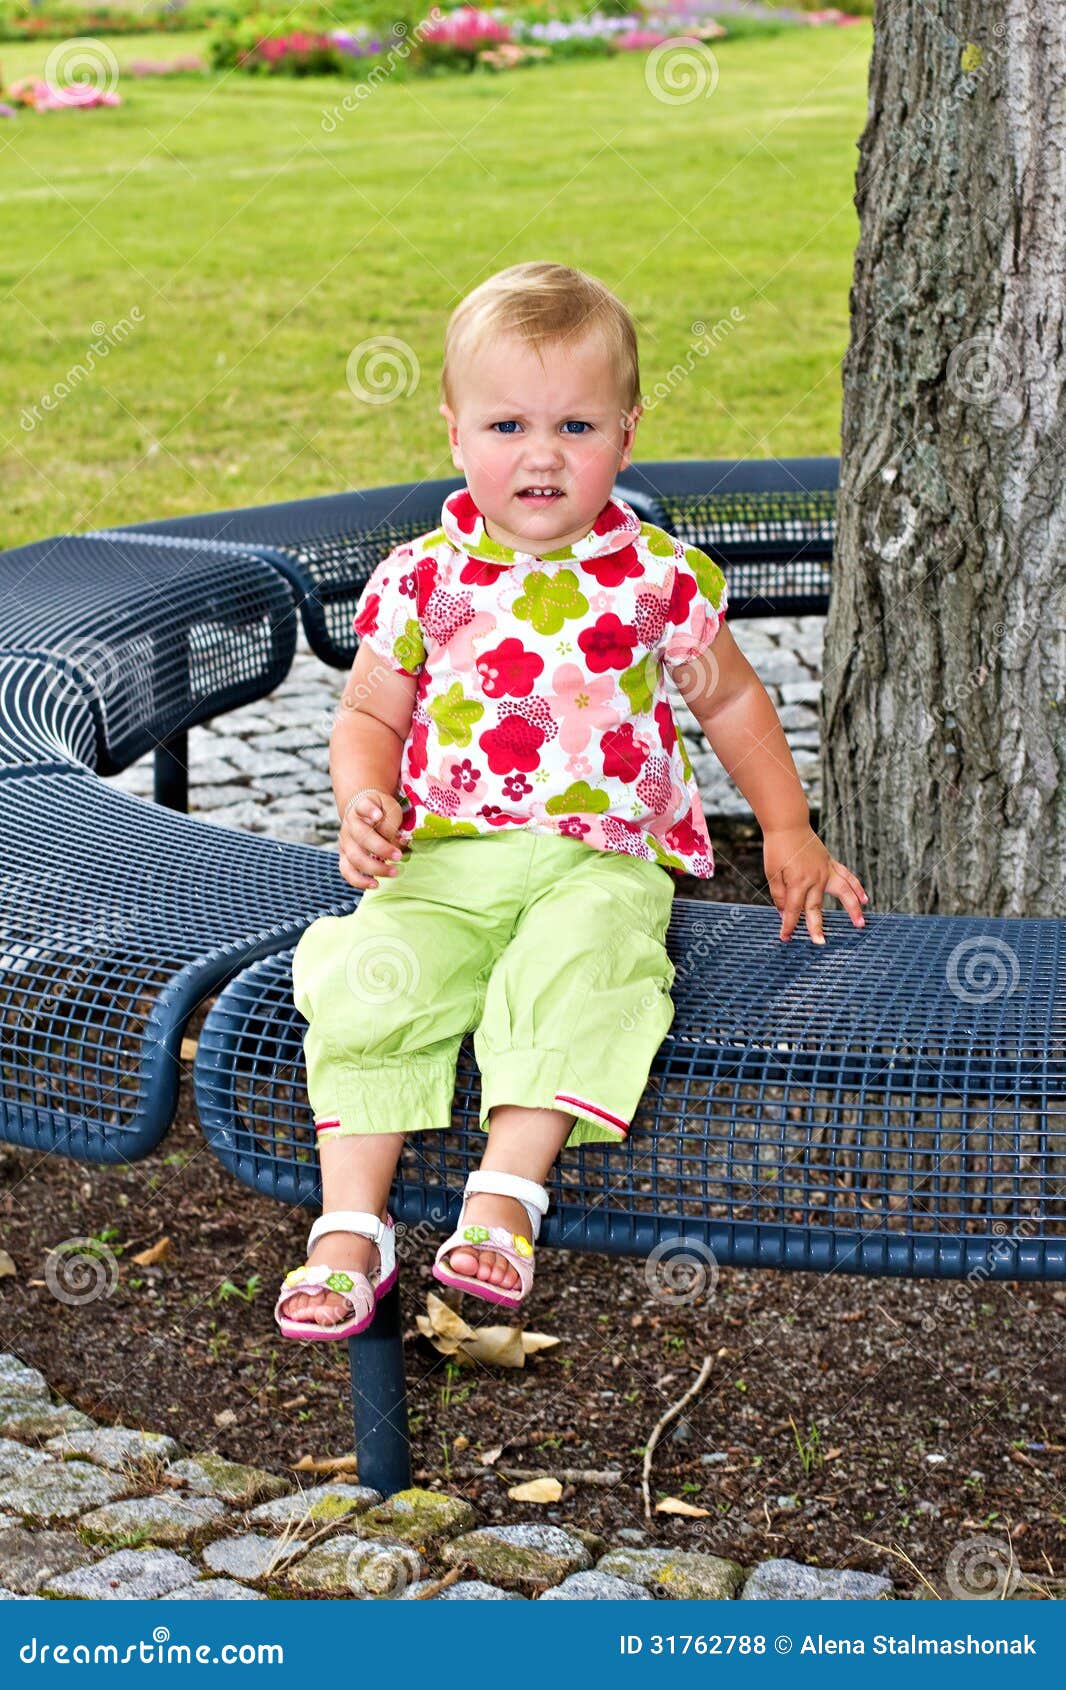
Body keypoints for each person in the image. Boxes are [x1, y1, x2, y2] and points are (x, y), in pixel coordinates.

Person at [273, 261, 868, 1341]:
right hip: (443, 861)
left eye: (576, 425)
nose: (541, 453)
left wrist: (787, 824)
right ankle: (350, 1224)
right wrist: (364, 797)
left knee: (587, 965)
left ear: (626, 437)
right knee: (369, 976)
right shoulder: (419, 578)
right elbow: (368, 714)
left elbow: (729, 697)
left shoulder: (655, 578)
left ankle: (505, 1200)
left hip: (601, 858)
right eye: (507, 424)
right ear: (454, 433)